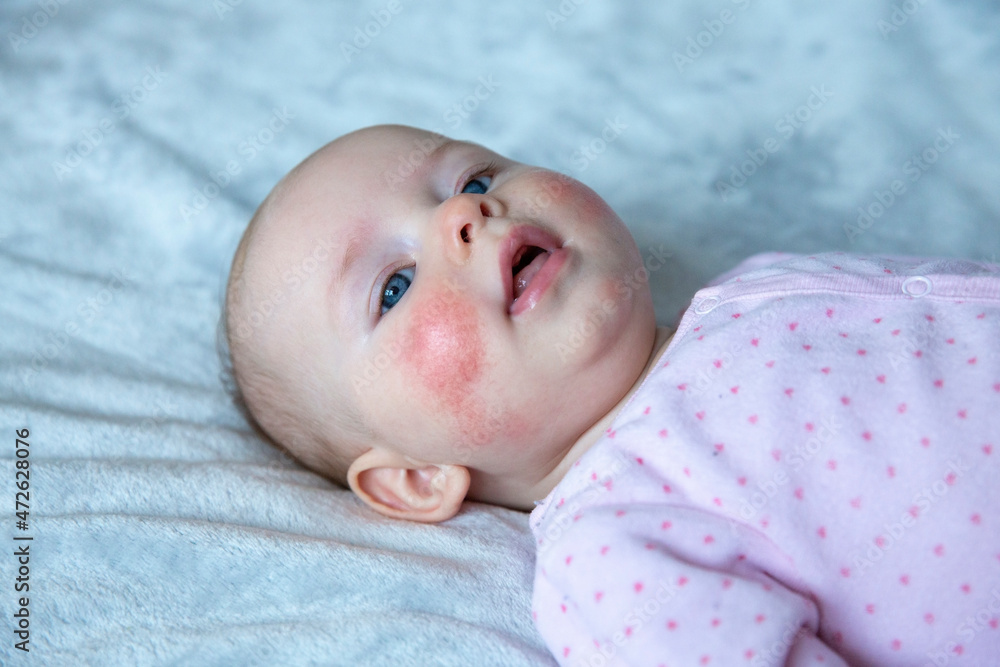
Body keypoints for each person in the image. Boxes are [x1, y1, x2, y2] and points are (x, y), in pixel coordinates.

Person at [224, 124, 1000, 665]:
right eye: (393, 286)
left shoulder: (749, 290)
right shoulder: (614, 549)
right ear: (417, 476)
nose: (465, 213)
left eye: (474, 177)